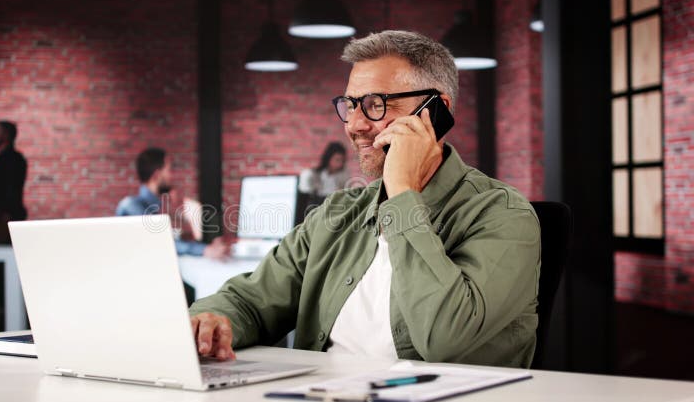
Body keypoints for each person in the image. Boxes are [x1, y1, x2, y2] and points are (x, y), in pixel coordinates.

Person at [189, 30, 541, 368]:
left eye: (375, 105)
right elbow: (250, 302)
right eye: (350, 105)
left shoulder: (503, 215)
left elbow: (444, 337)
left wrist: (402, 193)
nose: (354, 124)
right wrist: (212, 319)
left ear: (436, 111)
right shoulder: (339, 213)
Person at [116, 147, 230, 260]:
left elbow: (178, 239)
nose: (172, 176)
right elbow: (163, 242)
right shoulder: (131, 205)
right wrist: (205, 250)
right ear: (157, 175)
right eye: (169, 170)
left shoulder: (158, 207)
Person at [0, 120, 28, 243]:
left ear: (6, 135)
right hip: (4, 215)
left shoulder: (11, 159)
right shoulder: (6, 157)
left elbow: (11, 187)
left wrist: (6, 212)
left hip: (6, 216)